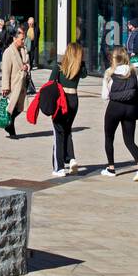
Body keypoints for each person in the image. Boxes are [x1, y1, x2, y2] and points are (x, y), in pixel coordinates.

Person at [101, 46, 138, 179]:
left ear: (114, 58)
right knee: (129, 140)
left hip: (114, 108)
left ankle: (111, 168)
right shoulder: (133, 71)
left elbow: (105, 96)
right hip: (130, 108)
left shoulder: (109, 72)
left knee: (109, 137)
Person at [45, 42, 87, 176]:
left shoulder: (59, 67)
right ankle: (71, 158)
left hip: (62, 100)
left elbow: (50, 83)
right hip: (74, 100)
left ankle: (59, 167)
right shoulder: (80, 68)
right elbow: (85, 74)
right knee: (67, 130)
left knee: (58, 132)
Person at [0, 28, 31, 140]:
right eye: (22, 39)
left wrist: (26, 67)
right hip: (13, 85)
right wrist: (5, 87)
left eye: (24, 39)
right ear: (15, 39)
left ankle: (9, 124)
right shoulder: (9, 52)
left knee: (21, 108)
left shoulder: (23, 50)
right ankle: (11, 129)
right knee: (12, 107)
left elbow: (27, 63)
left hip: (21, 85)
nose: (23, 41)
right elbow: (6, 71)